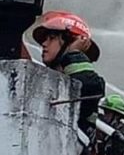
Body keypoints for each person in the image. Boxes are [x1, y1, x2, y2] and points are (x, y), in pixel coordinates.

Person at [33, 11, 105, 143]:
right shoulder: (43, 80)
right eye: (44, 39)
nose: (44, 44)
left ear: (71, 42)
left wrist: (73, 54)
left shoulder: (90, 82)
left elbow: (89, 87)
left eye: (52, 38)